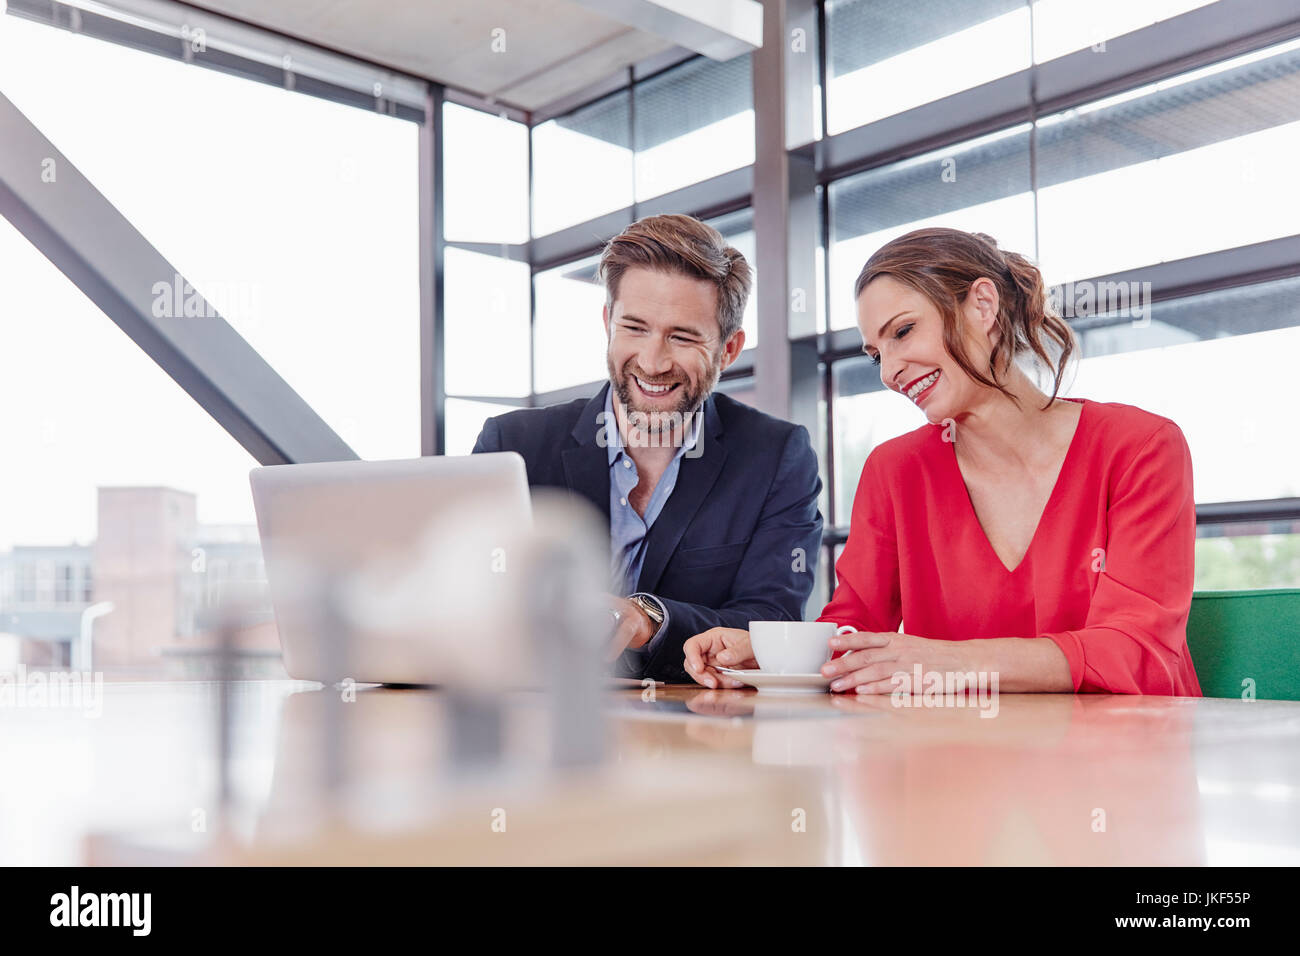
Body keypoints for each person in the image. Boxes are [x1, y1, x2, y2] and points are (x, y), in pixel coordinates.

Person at [684, 227, 1202, 696]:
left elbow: (1134, 652)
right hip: (958, 757)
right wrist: (769, 654)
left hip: (1126, 754)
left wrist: (947, 663)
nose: (888, 371)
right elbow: (856, 627)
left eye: (903, 331)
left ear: (982, 305)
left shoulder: (1140, 448)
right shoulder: (896, 470)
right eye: (875, 353)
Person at [473, 213, 823, 683]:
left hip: (698, 718)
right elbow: (463, 600)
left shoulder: (777, 456)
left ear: (728, 350)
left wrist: (652, 620)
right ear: (608, 323)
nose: (653, 362)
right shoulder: (512, 447)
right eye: (635, 328)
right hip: (533, 707)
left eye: (682, 336)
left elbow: (772, 621)